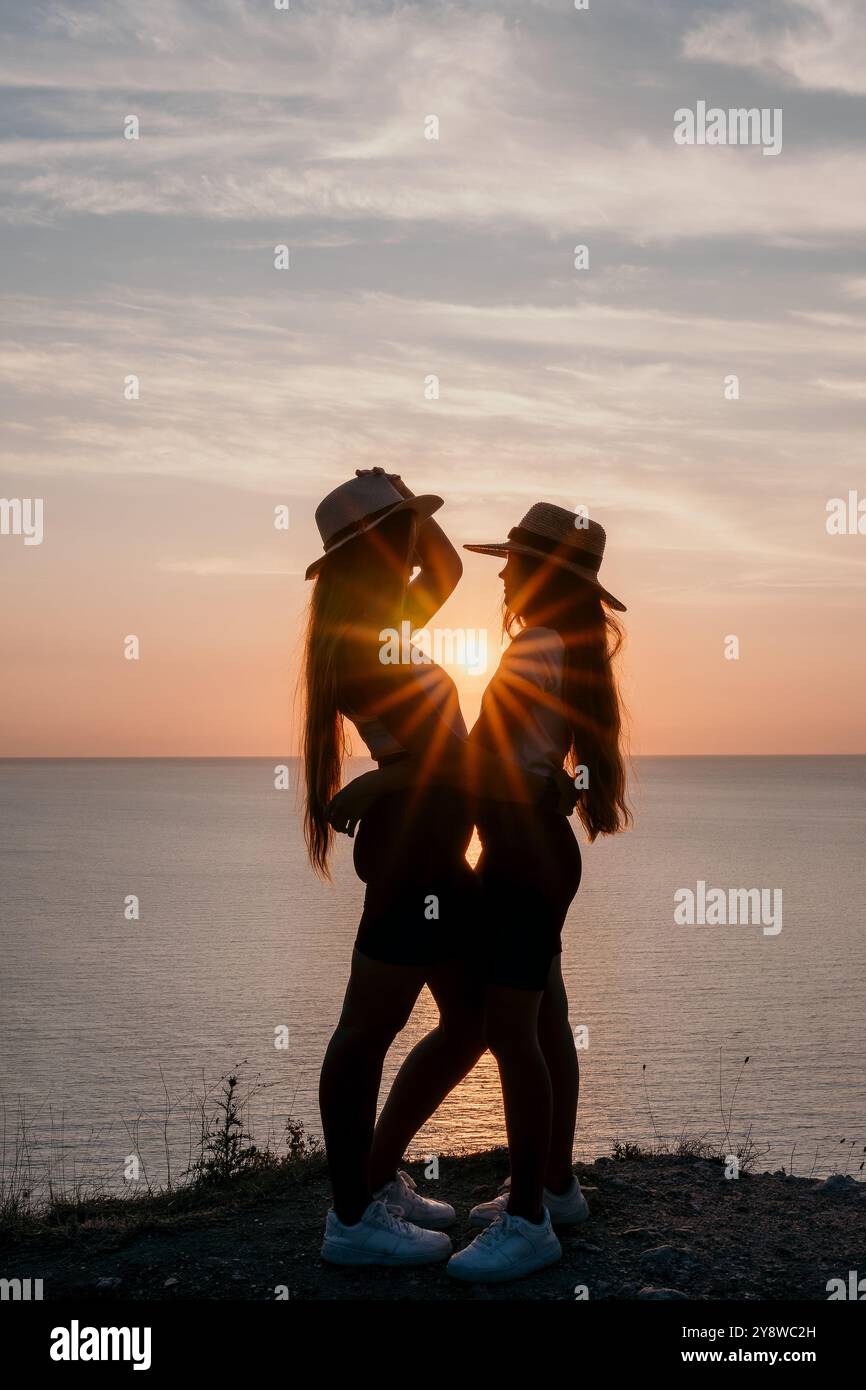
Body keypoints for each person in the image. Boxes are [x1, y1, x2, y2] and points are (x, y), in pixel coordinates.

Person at [329, 501, 631, 1283]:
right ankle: (552, 1190)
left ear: (542, 575)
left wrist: (383, 780)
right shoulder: (563, 643)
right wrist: (545, 780)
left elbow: (487, 764)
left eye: (516, 561)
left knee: (513, 1033)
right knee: (539, 1022)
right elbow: (512, 757)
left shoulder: (535, 645)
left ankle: (531, 1219)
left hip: (520, 857)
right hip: (528, 852)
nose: (502, 572)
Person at [302, 471, 569, 1268]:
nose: (418, 549)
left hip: (433, 855)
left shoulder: (383, 623)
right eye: (403, 535)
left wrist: (409, 503)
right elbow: (447, 760)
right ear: (377, 550)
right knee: (365, 1031)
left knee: (470, 1025)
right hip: (415, 855)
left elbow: (447, 570)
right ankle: (351, 1216)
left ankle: (373, 1182)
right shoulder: (361, 640)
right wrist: (387, 779)